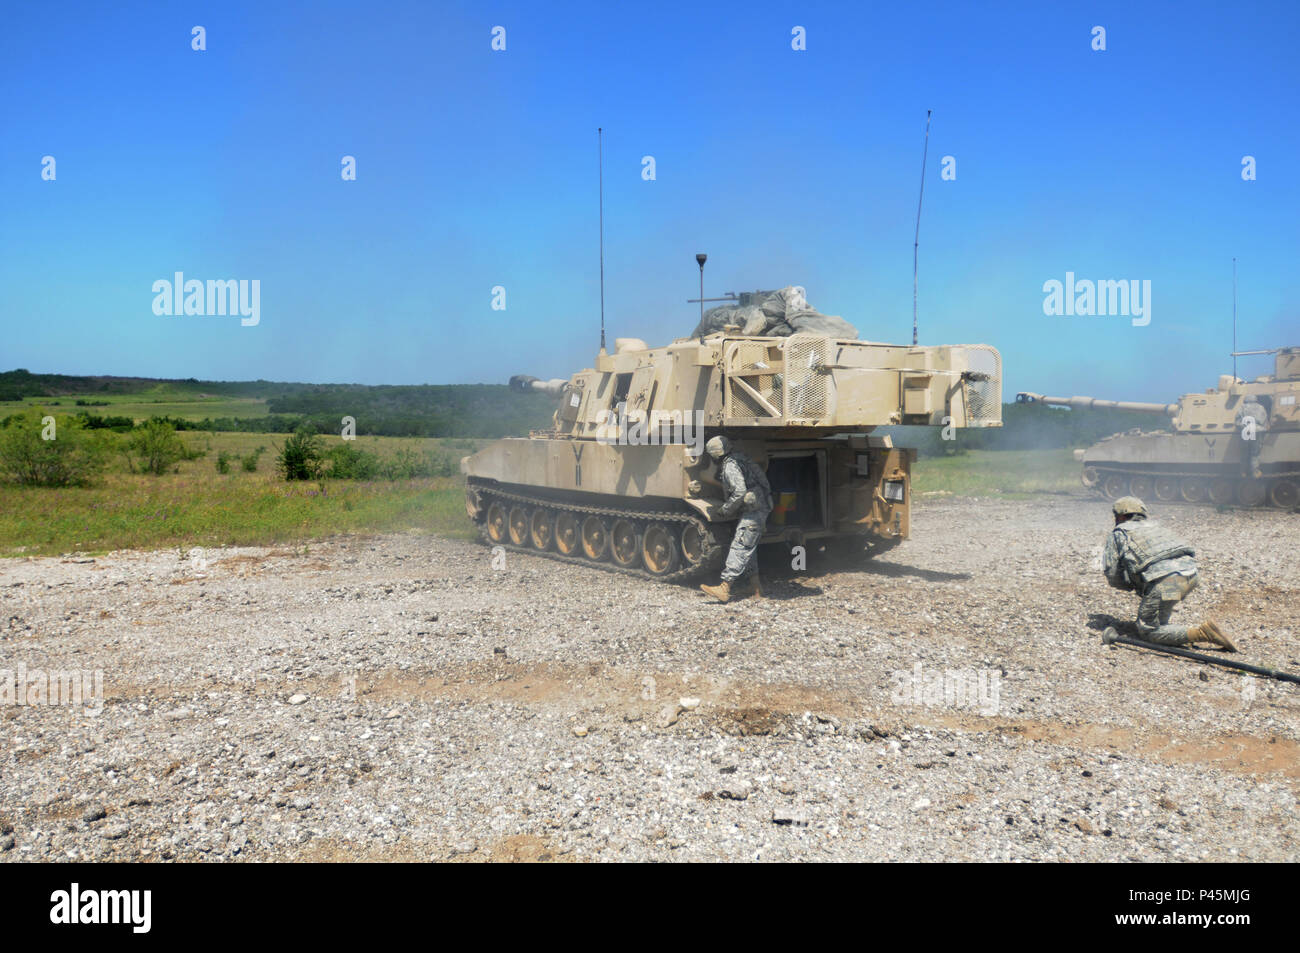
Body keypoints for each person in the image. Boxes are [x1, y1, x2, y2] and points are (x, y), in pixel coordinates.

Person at [1102, 496, 1237, 651]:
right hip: (1189, 575)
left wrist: (1127, 586)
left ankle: (1204, 633)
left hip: (1167, 581)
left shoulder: (1119, 533)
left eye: (1115, 515)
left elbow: (1111, 572)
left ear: (1121, 515)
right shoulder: (1156, 527)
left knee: (1149, 631)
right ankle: (1172, 635)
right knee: (1160, 619)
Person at [699, 436, 773, 603]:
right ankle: (755, 587)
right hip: (759, 507)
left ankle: (725, 587)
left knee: (739, 545)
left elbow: (739, 492)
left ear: (715, 455)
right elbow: (763, 480)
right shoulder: (742, 458)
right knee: (749, 547)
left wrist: (725, 510)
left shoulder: (730, 467)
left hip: (754, 511)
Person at [1235, 395, 1269, 479]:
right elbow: (1264, 421)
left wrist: (1243, 427)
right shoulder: (1261, 408)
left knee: (1245, 452)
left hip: (1246, 431)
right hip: (1257, 431)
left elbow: (1237, 421)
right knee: (1255, 453)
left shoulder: (1242, 408)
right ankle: (1255, 472)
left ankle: (1243, 472)